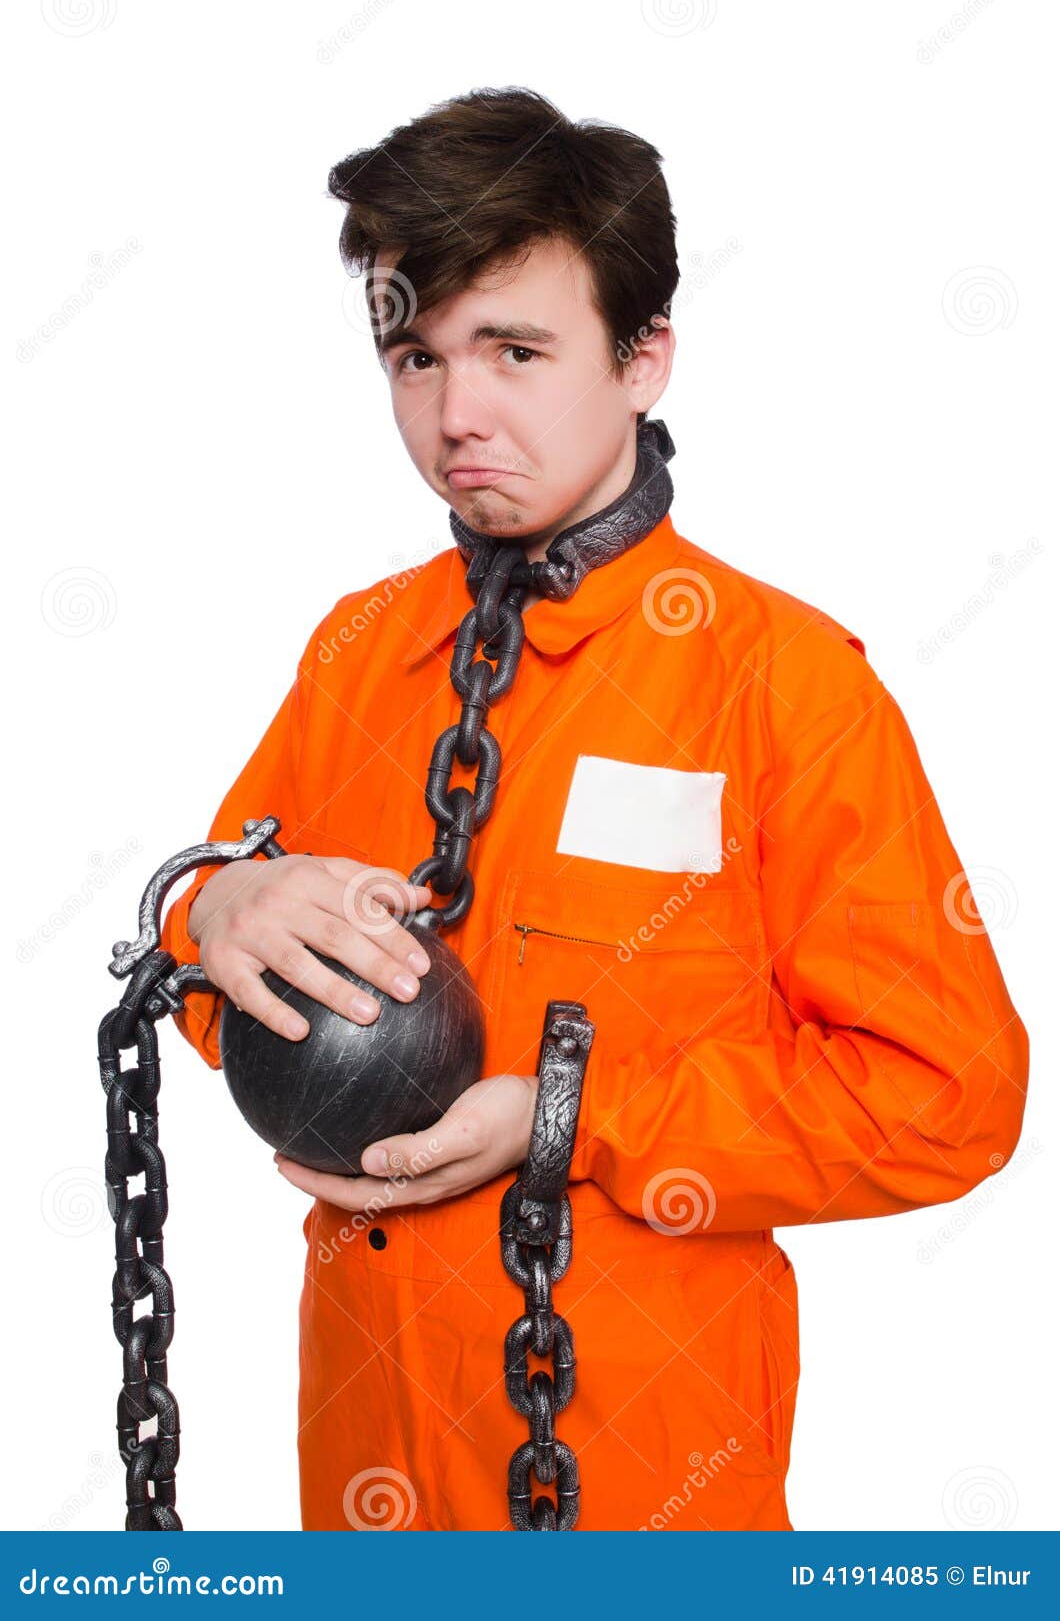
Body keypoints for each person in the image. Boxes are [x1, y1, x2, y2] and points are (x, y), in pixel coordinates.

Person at [160, 87, 1029, 1532]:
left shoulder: (783, 687)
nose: (456, 416)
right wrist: (212, 905)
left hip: (642, 1493)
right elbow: (222, 971)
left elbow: (949, 1097)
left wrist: (575, 1116)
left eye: (515, 350)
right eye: (415, 356)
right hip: (368, 1476)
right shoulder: (359, 654)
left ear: (644, 359)